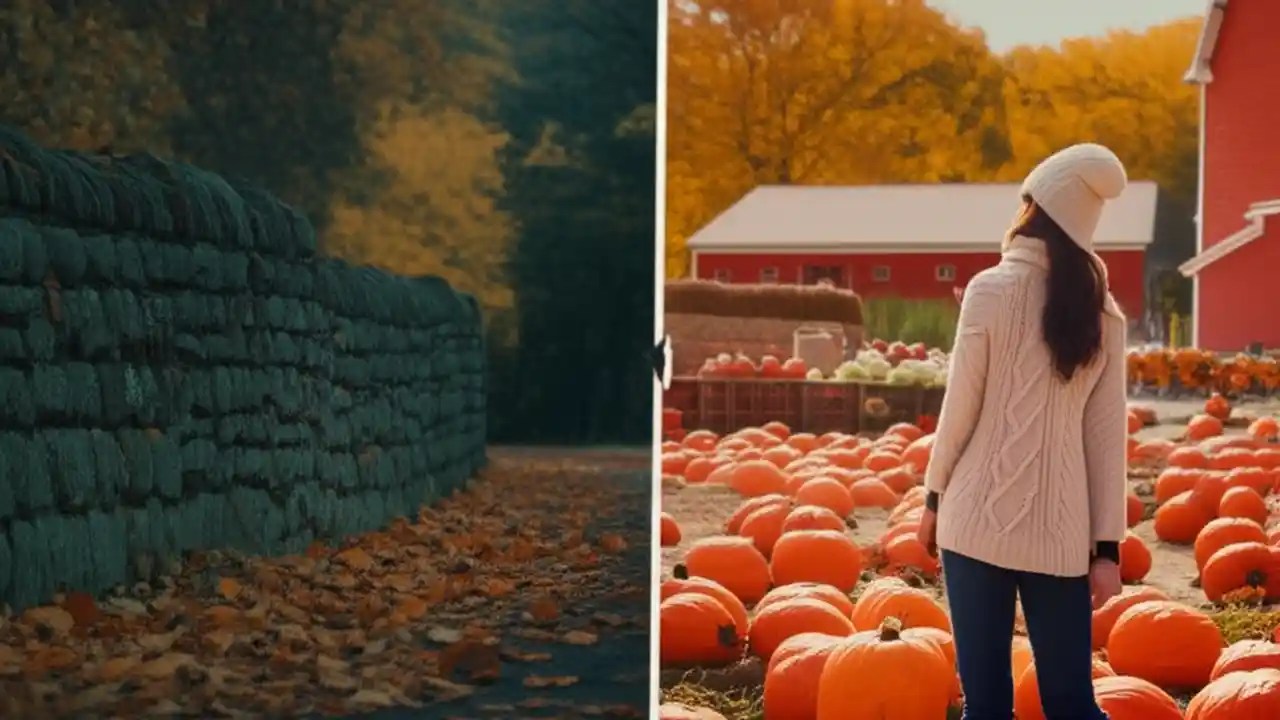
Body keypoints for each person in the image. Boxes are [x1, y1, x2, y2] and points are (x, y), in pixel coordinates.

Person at [916, 143, 1128, 720]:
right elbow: (1107, 443)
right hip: (1062, 537)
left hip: (972, 520)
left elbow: (960, 408)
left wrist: (933, 497)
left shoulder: (989, 290)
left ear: (1034, 208)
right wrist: (1107, 550)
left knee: (985, 709)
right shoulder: (1104, 315)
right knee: (1071, 705)